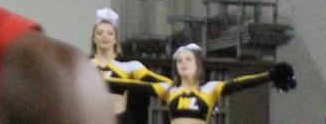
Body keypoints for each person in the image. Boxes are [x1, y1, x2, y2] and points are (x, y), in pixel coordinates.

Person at [104, 42, 295, 120]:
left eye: (188, 59)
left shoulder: (210, 88)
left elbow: (238, 83)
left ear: (198, 64)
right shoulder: (168, 89)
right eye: (179, 60)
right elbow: (133, 85)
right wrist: (101, 79)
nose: (183, 63)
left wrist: (269, 75)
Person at [88, 8, 166, 116]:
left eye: (110, 33)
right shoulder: (84, 65)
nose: (104, 36)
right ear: (93, 38)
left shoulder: (130, 66)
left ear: (115, 39)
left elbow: (164, 84)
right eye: (100, 33)